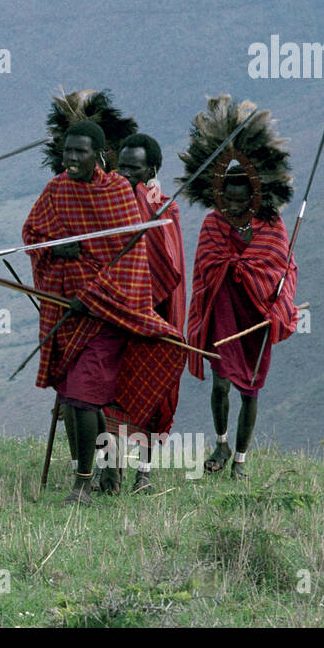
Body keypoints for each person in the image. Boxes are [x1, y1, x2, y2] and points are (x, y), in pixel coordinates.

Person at [23, 121, 186, 507]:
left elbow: (131, 262)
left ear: (99, 155)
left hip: (107, 315)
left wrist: (94, 297)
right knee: (73, 398)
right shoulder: (56, 190)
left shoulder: (117, 194)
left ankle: (82, 484)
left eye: (80, 152)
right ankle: (104, 467)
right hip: (66, 314)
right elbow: (32, 234)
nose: (72, 159)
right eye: (67, 152)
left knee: (82, 397)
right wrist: (53, 250)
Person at [187, 172, 298, 480]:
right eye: (228, 199)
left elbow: (282, 267)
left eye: (240, 199)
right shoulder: (213, 223)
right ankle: (220, 444)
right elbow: (204, 268)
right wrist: (230, 267)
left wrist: (275, 302)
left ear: (254, 199)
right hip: (222, 311)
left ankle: (240, 461)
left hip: (257, 315)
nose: (232, 206)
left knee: (251, 389)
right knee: (220, 382)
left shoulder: (271, 224)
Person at [114, 133, 186, 492]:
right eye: (121, 166)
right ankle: (109, 467)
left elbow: (168, 265)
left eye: (134, 167)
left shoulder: (164, 207)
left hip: (153, 314)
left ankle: (144, 471)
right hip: (114, 310)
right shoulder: (110, 200)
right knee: (110, 387)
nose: (126, 173)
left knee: (152, 391)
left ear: (152, 169)